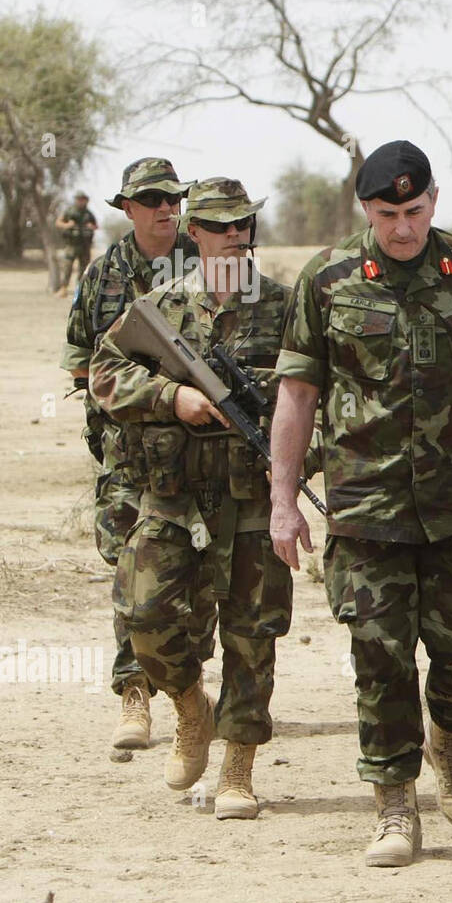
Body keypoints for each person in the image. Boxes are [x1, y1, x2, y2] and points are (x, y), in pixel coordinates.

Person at [270, 140, 452, 867]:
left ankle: (450, 739)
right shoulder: (327, 278)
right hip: (365, 504)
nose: (402, 228)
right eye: (387, 214)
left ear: (433, 203)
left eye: (415, 211)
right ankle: (395, 803)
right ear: (365, 209)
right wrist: (282, 500)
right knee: (379, 654)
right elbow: (297, 393)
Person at [91, 178, 290, 821]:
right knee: (144, 617)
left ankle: (237, 768)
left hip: (254, 500)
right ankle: (187, 707)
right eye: (221, 226)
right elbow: (104, 370)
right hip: (174, 495)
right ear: (194, 233)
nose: (236, 236)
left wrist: (295, 466)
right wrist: (170, 397)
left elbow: (320, 396)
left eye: (244, 225)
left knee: (252, 635)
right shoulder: (161, 308)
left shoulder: (286, 308)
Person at [62, 157, 208, 753]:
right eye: (152, 200)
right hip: (128, 455)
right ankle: (134, 692)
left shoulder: (207, 267)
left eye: (174, 199)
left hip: (199, 451)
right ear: (127, 208)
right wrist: (133, 396)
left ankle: (188, 689)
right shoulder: (103, 275)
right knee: (130, 571)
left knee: (199, 575)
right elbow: (78, 356)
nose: (166, 209)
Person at [55, 191, 98, 296]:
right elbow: (58, 223)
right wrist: (67, 225)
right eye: (78, 199)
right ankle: (63, 288)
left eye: (83, 199)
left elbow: (96, 226)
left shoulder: (89, 214)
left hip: (85, 245)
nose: (81, 202)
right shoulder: (69, 211)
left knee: (84, 268)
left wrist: (91, 227)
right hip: (71, 244)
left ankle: (80, 290)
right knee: (67, 267)